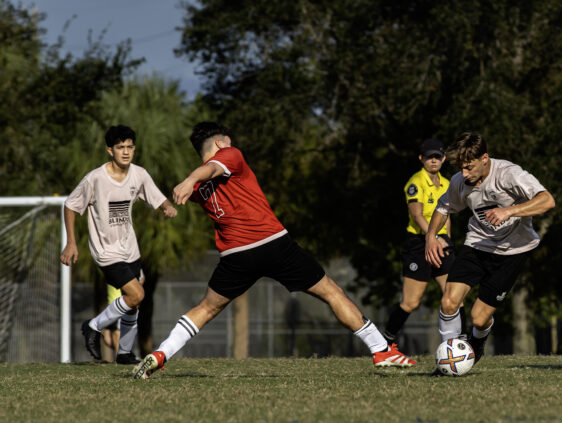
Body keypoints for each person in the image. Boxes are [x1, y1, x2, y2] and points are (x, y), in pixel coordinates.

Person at [133, 122, 414, 379]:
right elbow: (211, 169)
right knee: (331, 292)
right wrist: (191, 178)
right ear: (221, 144)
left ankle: (160, 354)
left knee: (206, 308)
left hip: (236, 257)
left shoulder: (199, 189)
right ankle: (381, 349)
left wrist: (186, 185)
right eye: (228, 143)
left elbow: (205, 177)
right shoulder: (231, 155)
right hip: (272, 244)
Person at [425, 132, 555, 374]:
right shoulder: (459, 181)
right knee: (448, 301)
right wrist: (431, 237)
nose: (465, 174)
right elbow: (444, 207)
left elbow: (547, 200)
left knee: (479, 318)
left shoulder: (509, 174)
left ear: (485, 158)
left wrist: (510, 211)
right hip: (477, 245)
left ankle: (478, 342)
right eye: (461, 168)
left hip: (514, 251)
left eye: (470, 167)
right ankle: (447, 359)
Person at [60, 125, 177, 363]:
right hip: (107, 252)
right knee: (136, 295)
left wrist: (166, 206)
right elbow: (71, 205)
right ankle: (93, 326)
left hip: (130, 250)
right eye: (120, 147)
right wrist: (71, 243)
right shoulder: (95, 179)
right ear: (109, 151)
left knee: (132, 304)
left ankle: (124, 353)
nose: (126, 152)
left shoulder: (139, 174)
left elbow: (156, 196)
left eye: (129, 147)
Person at [382, 138, 466, 346]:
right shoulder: (415, 183)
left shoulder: (448, 184)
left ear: (444, 158)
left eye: (437, 157)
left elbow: (447, 216)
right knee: (410, 303)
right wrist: (434, 237)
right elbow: (418, 216)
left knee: (455, 297)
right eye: (429, 157)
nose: (434, 161)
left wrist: (447, 240)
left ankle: (462, 342)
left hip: (442, 244)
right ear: (421, 159)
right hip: (419, 245)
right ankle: (385, 342)